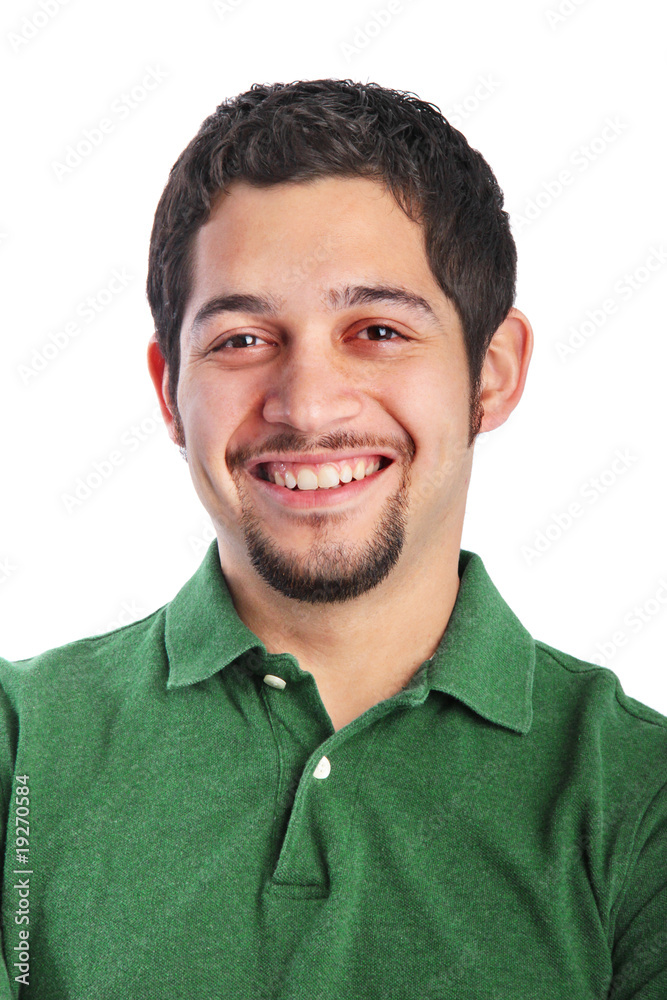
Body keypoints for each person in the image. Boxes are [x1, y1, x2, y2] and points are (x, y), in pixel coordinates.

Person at [1, 79, 665, 1000]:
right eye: (240, 340)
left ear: (493, 372)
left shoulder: (641, 795)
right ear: (167, 393)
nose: (307, 404)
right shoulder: (17, 751)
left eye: (379, 330)